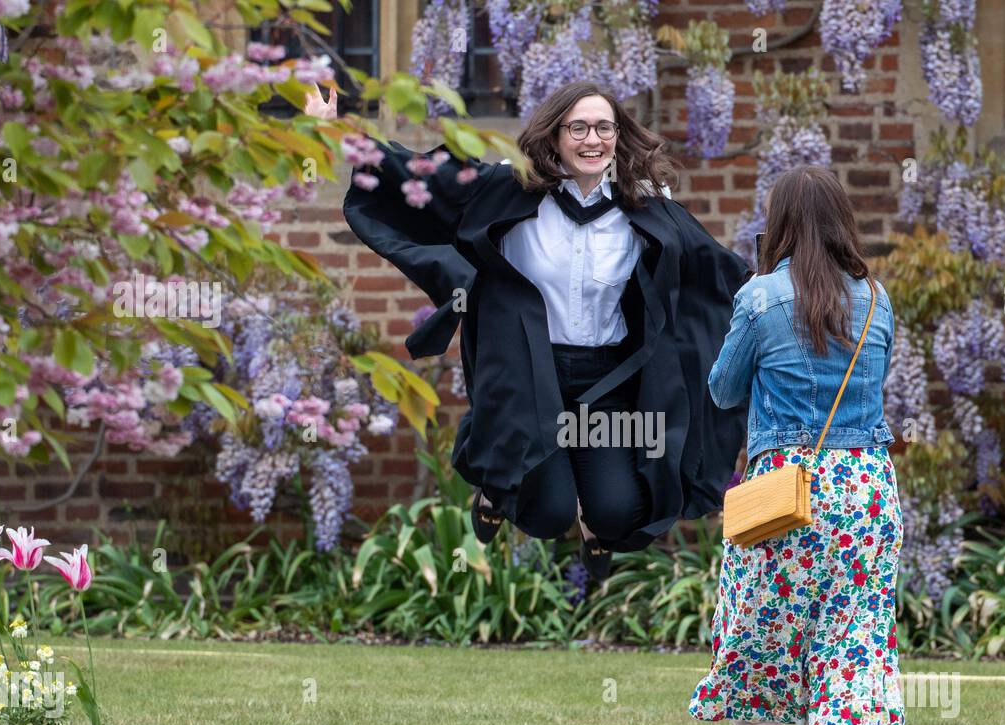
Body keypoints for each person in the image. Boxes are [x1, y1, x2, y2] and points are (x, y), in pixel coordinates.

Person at [308, 80, 751, 581]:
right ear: (555, 134)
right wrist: (338, 133)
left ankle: (592, 527)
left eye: (604, 127)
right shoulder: (506, 189)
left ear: (618, 136)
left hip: (605, 388)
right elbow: (416, 177)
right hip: (528, 374)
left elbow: (719, 275)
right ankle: (495, 484)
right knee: (548, 512)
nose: (592, 139)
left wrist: (785, 293)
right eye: (578, 127)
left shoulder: (646, 209)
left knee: (616, 512)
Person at [688, 164, 905, 725]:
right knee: (853, 647)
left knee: (755, 646)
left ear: (776, 224)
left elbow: (722, 391)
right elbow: (875, 381)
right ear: (843, 221)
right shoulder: (876, 299)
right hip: (866, 493)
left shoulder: (758, 296)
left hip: (783, 494)